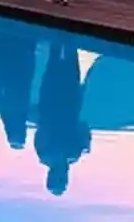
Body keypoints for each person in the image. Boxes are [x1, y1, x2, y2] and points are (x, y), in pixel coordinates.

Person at [34, 42, 91, 196]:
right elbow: (40, 128)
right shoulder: (45, 153)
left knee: (67, 61)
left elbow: (84, 128)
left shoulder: (71, 153)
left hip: (66, 104)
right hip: (54, 103)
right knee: (57, 60)